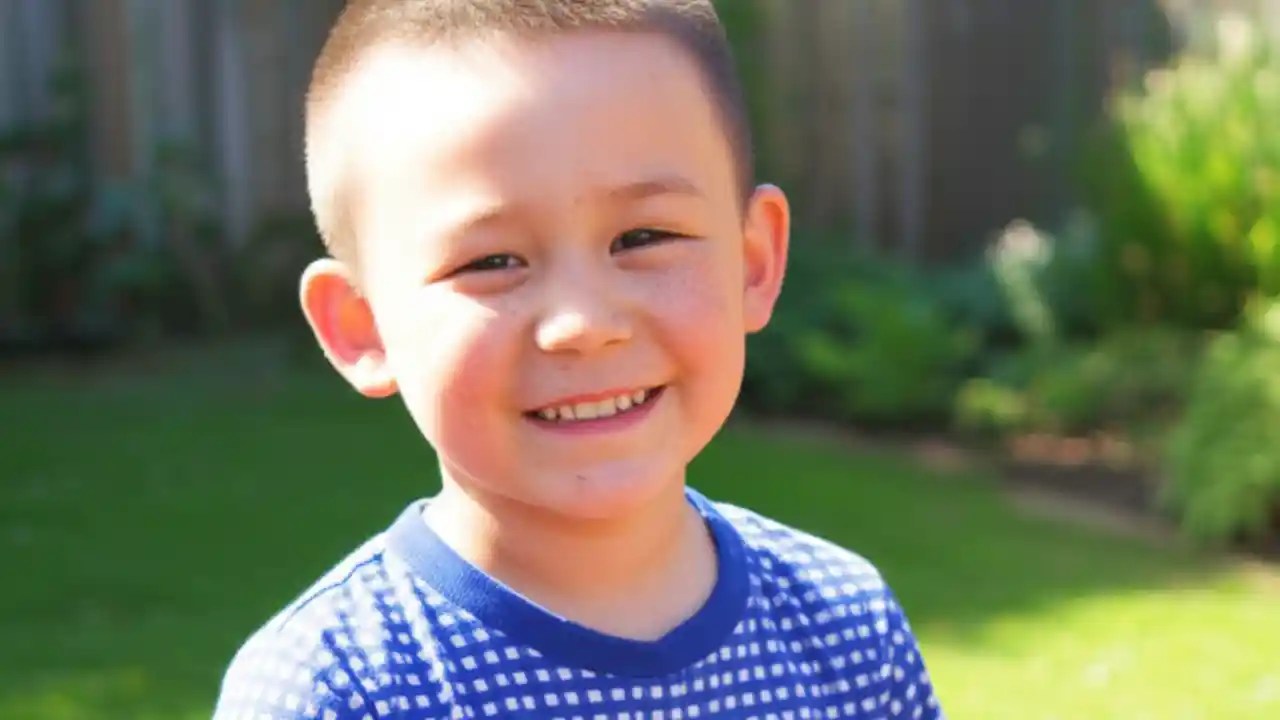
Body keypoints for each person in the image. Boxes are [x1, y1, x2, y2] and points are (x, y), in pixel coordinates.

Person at [212, 1, 944, 717]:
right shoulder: (333, 690)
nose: (584, 324)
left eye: (644, 238)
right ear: (362, 326)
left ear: (753, 262)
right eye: (494, 259)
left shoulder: (848, 634)